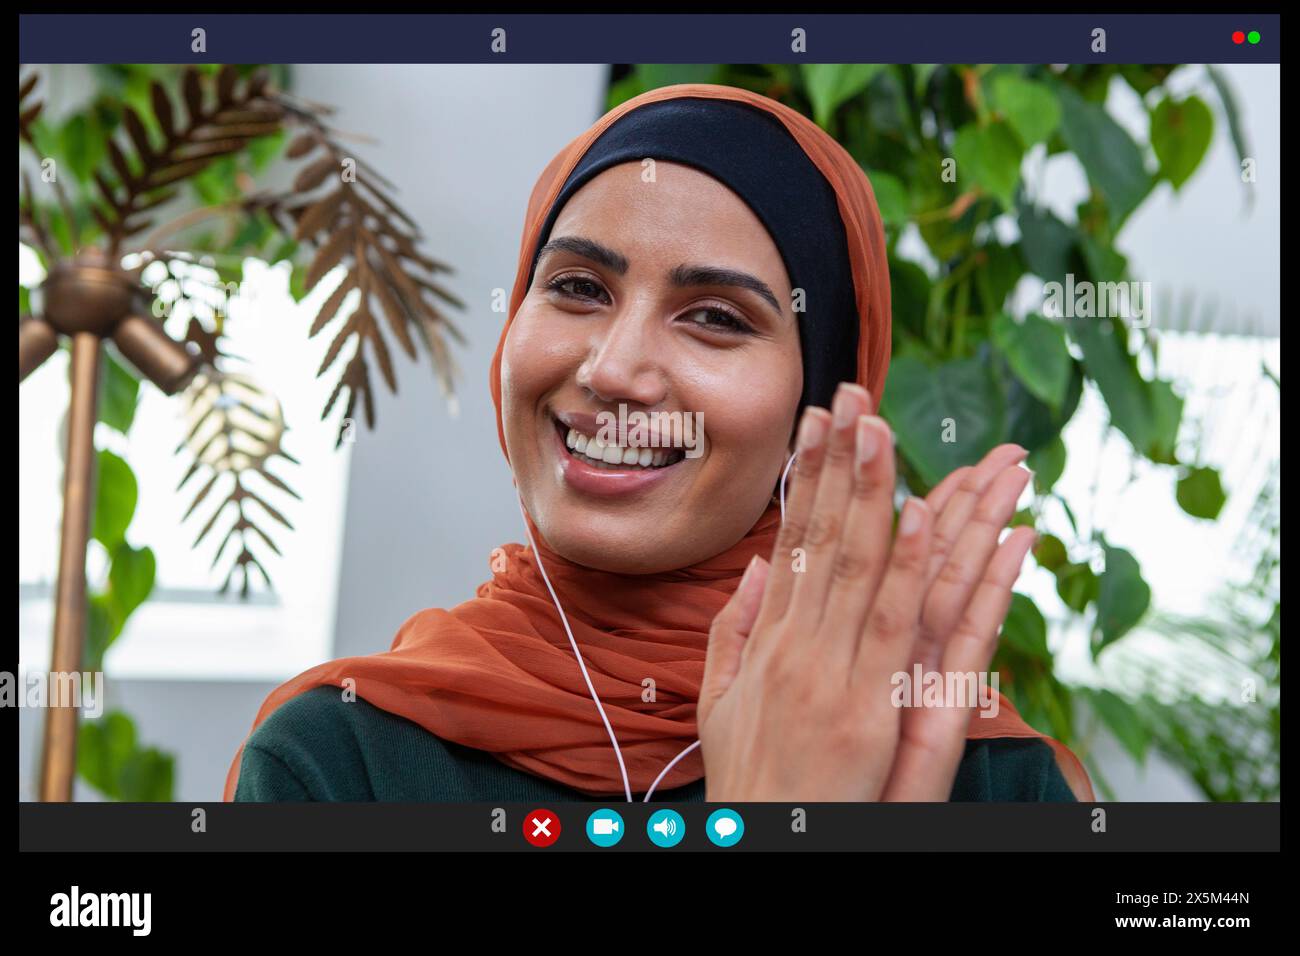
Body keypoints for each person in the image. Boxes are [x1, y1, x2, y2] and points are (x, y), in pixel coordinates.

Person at [224, 83, 1093, 804]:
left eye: (715, 318)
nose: (615, 368)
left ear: (818, 405)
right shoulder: (340, 764)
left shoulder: (984, 779)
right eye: (575, 287)